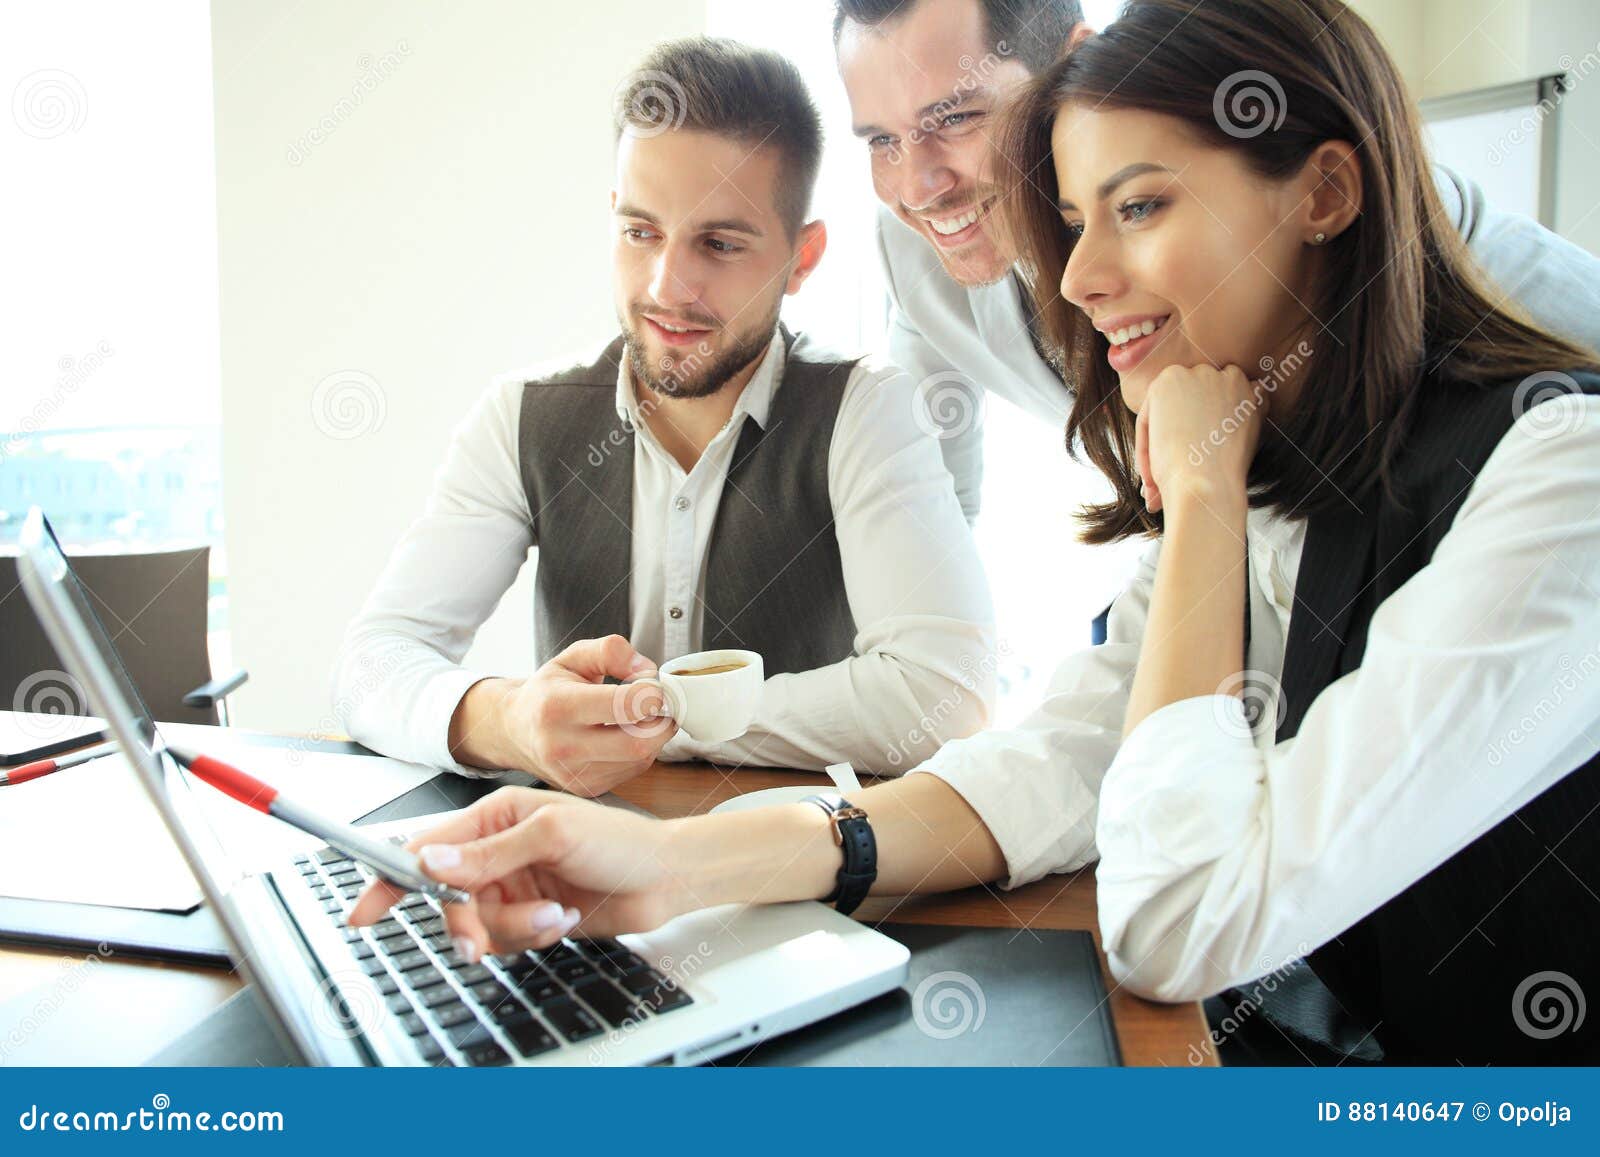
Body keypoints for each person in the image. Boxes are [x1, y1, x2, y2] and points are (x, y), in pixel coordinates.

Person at [350, 0, 1600, 1064]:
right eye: (1072, 216)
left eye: (1141, 206)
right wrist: (679, 867)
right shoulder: (1257, 432)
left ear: (1326, 189)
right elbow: (1062, 751)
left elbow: (1179, 915)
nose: (1069, 279)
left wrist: (1204, 501)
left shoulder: (1555, 461)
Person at [330, 37, 995, 799]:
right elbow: (371, 661)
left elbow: (948, 693)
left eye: (719, 243)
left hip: (796, 885)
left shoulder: (866, 411)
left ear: (802, 259)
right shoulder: (519, 418)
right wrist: (510, 718)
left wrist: (658, 716)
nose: (667, 286)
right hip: (567, 875)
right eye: (641, 232)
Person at [832, 0, 1600, 522]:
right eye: (880, 140)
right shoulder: (913, 252)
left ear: (1074, 68)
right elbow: (926, 505)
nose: (918, 184)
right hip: (1205, 537)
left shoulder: (1395, 244)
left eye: (958, 118)